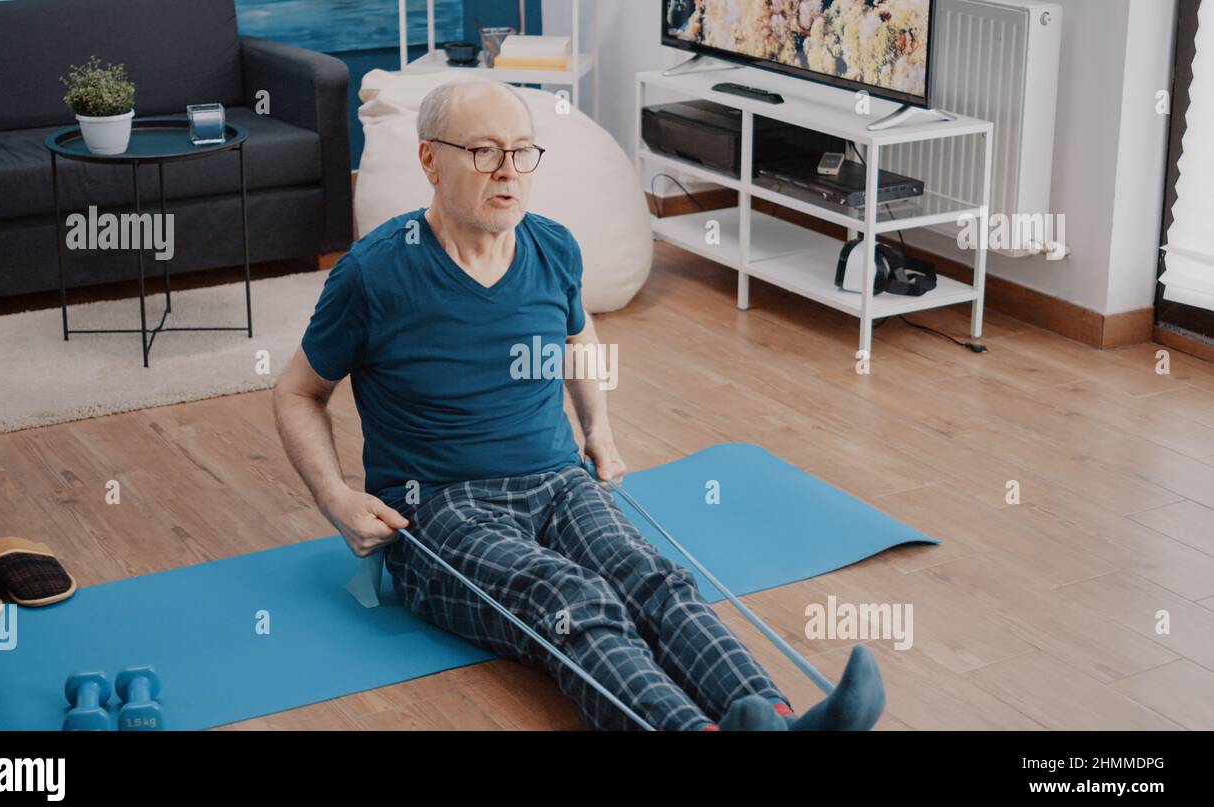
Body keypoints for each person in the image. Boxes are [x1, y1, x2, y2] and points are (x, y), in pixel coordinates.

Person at [272, 79, 885, 731]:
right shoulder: (373, 272)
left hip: (560, 483)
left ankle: (779, 719)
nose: (508, 171)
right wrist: (338, 501)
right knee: (569, 596)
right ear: (429, 159)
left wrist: (599, 428)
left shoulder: (553, 247)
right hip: (438, 509)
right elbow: (296, 392)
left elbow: (577, 336)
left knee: (653, 578)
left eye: (521, 151)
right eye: (484, 151)